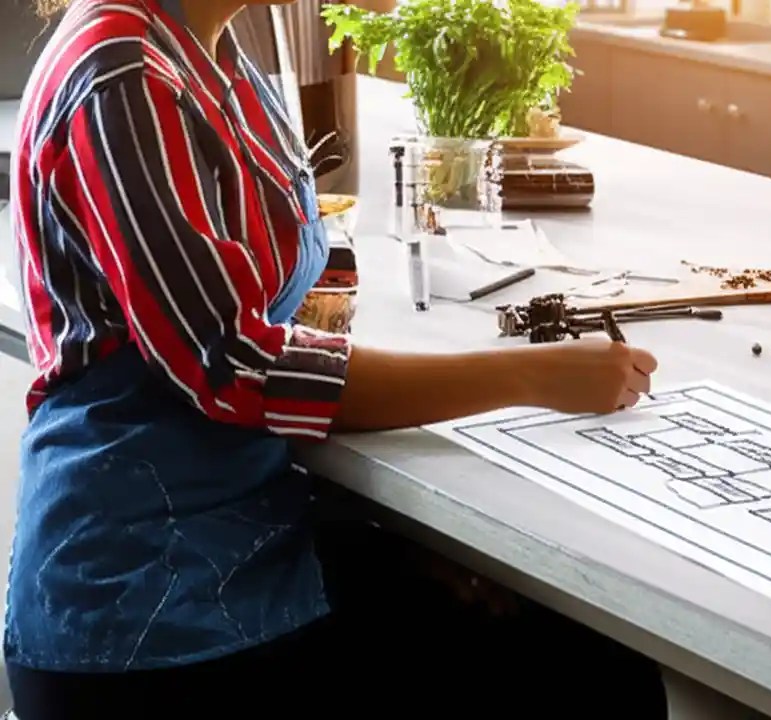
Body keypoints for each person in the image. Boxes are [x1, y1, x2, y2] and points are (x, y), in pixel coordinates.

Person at [5, 0, 665, 716]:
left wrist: (387, 541)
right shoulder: (121, 74)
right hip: (145, 611)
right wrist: (531, 374)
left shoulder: (204, 47)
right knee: (598, 678)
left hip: (243, 534)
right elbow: (235, 365)